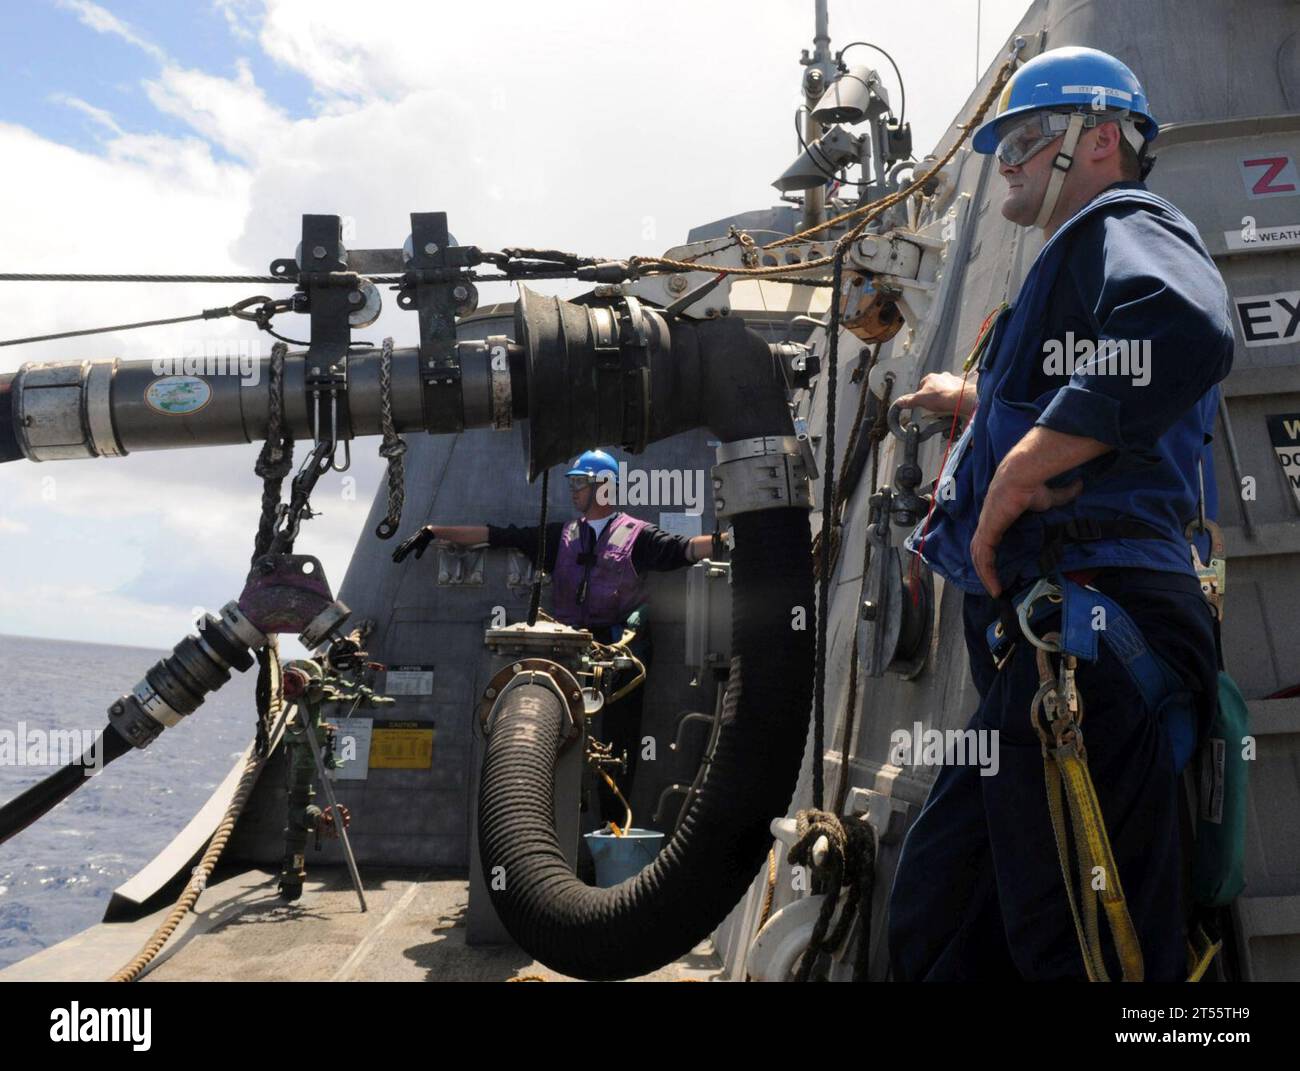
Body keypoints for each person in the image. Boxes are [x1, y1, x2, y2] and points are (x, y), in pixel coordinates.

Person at [885, 47, 1234, 981]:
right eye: (1001, 143)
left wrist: (1022, 467)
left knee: (1086, 948)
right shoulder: (1077, 263)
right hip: (1052, 655)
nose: (1007, 159)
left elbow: (1185, 325)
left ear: (1102, 140)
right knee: (945, 913)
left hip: (1095, 642)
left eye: (1029, 138)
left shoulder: (1123, 222)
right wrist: (981, 405)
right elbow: (1092, 378)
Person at [392, 448, 718, 824]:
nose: (573, 491)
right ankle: (551, 829)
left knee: (619, 746)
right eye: (572, 483)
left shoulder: (637, 536)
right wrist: (434, 532)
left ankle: (613, 830)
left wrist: (728, 539)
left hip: (619, 660)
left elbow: (684, 549)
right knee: (554, 737)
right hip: (566, 654)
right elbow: (498, 536)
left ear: (604, 488)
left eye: (580, 483)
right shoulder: (560, 535)